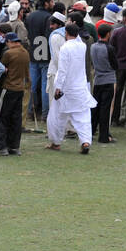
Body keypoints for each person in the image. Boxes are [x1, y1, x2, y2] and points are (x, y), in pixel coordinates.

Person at [48, 21, 95, 154]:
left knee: (57, 116)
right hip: (80, 87)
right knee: (83, 117)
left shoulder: (65, 48)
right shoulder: (82, 46)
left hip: (66, 88)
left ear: (66, 33)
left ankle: (56, 142)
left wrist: (58, 87)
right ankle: (85, 141)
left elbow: (62, 70)